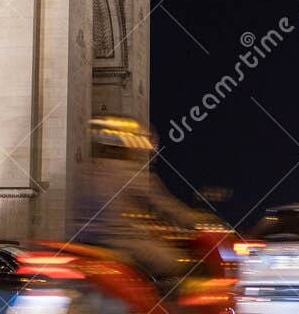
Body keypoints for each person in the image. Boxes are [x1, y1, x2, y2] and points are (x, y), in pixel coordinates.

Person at [72, 116, 210, 289]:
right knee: (182, 268)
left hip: (87, 244)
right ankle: (173, 305)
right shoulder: (129, 172)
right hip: (124, 244)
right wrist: (197, 219)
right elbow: (166, 206)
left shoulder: (88, 171)